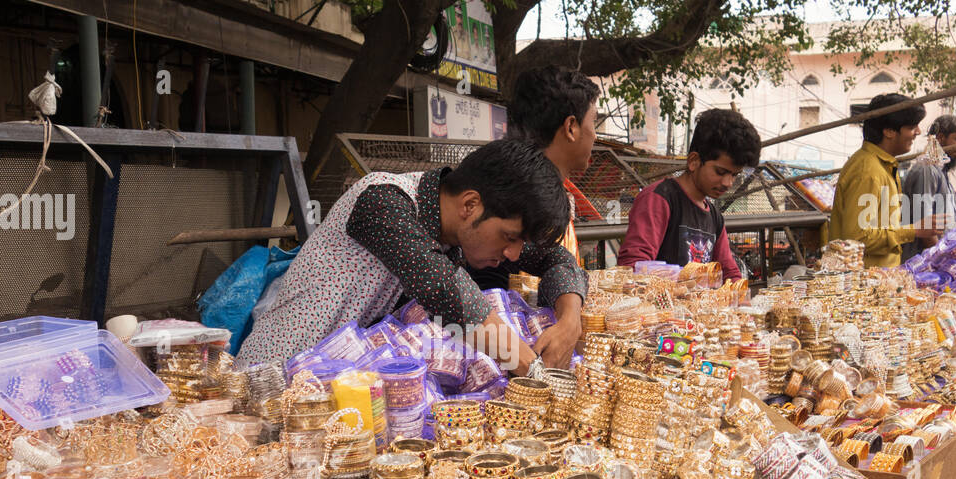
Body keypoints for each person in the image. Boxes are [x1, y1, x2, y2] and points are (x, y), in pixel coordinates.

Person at [234, 139, 583, 373]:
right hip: (273, 378)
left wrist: (569, 321)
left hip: (343, 383)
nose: (513, 254)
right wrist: (532, 369)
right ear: (470, 205)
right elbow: (444, 290)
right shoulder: (382, 200)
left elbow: (557, 259)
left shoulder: (462, 226)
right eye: (509, 238)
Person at [471, 64, 600, 299]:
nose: (596, 135)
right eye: (594, 122)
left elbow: (555, 258)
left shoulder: (556, 192)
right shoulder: (509, 192)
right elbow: (487, 292)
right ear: (571, 127)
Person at [616, 108, 761, 279]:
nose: (728, 183)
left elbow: (730, 273)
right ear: (694, 161)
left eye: (734, 175)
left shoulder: (714, 217)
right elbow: (633, 265)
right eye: (720, 172)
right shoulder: (659, 199)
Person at [824, 93, 946, 267]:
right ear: (889, 131)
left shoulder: (883, 166)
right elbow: (857, 239)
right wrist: (915, 230)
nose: (918, 132)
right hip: (862, 284)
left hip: (878, 280)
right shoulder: (868, 171)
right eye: (912, 127)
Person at [902, 114, 956, 259]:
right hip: (924, 262)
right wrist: (941, 260)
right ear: (941, 138)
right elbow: (925, 226)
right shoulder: (927, 169)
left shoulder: (941, 170)